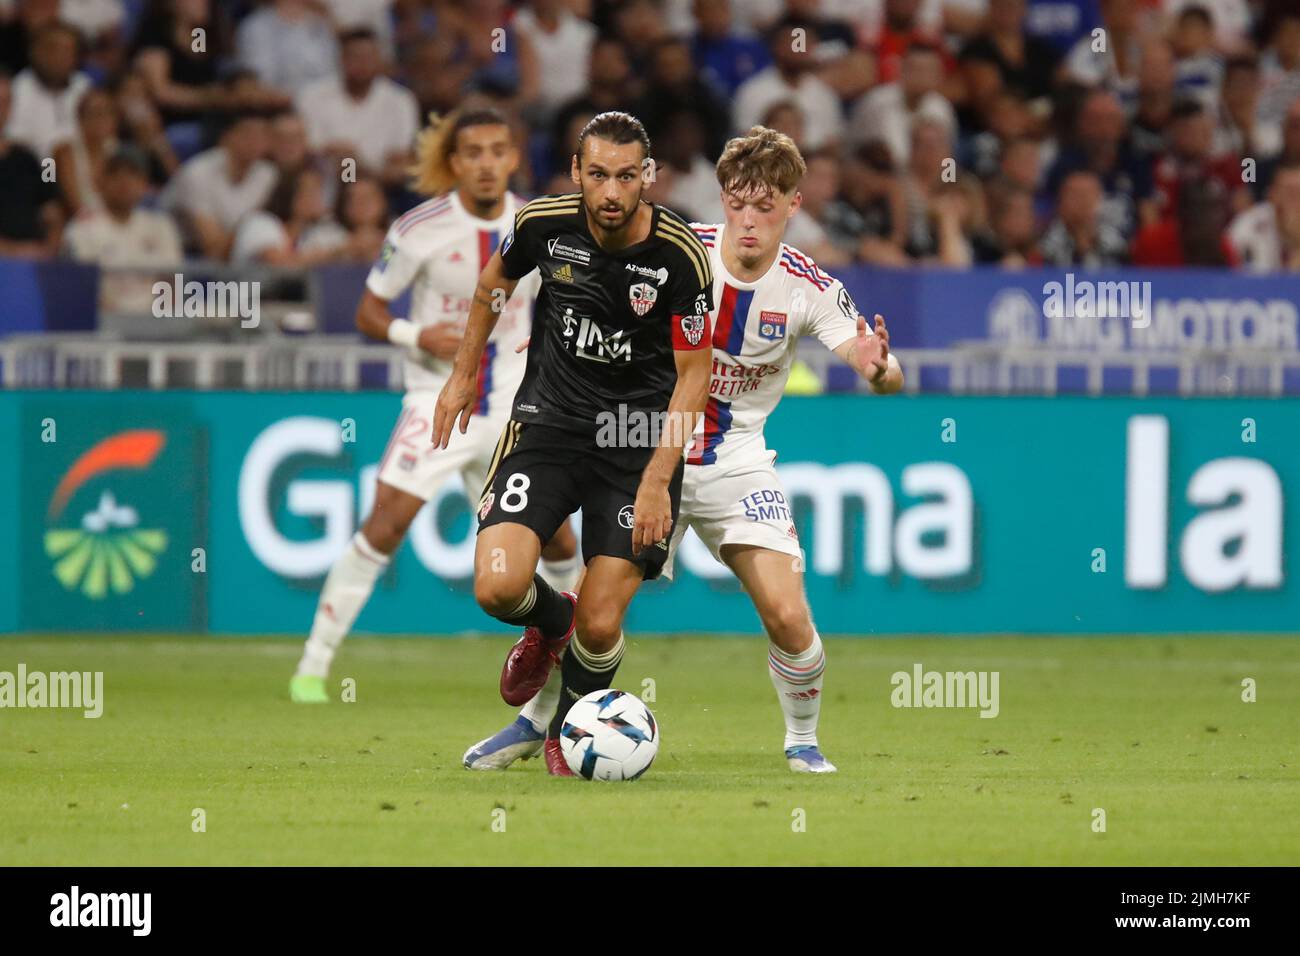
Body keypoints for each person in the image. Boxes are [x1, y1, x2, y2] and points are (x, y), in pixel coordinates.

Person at [466, 126, 902, 775]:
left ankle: (802, 738)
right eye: (738, 203)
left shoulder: (809, 287)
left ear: (794, 205)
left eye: (766, 205)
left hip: (734, 461)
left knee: (787, 613)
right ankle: (539, 725)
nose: (749, 221)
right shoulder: (679, 252)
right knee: (594, 615)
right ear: (723, 199)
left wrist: (879, 370)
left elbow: (882, 372)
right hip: (643, 450)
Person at [441, 111, 714, 776]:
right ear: (576, 174)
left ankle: (570, 727)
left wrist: (657, 480)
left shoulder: (679, 256)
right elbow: (492, 285)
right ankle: (549, 622)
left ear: (647, 176)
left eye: (626, 176)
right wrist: (463, 374)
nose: (612, 191)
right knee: (498, 587)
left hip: (636, 446)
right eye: (598, 175)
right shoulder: (543, 225)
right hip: (549, 424)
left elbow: (694, 374)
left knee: (602, 625)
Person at [289, 107, 581, 702]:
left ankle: (568, 660)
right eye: (472, 152)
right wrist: (414, 335)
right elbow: (369, 311)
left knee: (558, 543)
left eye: (498, 150)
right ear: (453, 163)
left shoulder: (537, 226)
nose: (486, 163)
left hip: (512, 410)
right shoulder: (418, 228)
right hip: (436, 403)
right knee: (387, 522)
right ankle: (313, 667)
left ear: (514, 158)